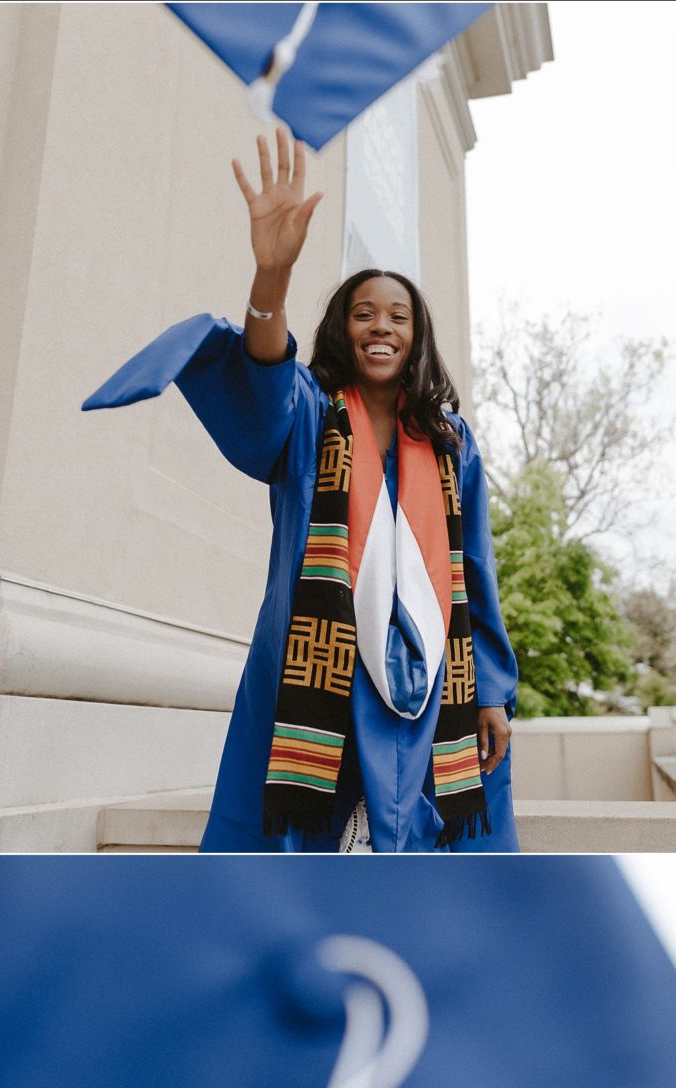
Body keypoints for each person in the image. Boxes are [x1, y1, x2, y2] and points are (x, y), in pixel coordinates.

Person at [85, 127, 520, 851]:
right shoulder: (312, 416)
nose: (380, 326)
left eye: (397, 316)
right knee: (299, 843)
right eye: (363, 314)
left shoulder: (451, 443)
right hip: (313, 664)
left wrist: (494, 691)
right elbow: (260, 385)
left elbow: (475, 569)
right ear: (340, 330)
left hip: (430, 680)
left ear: (418, 337)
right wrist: (271, 276)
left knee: (425, 851)